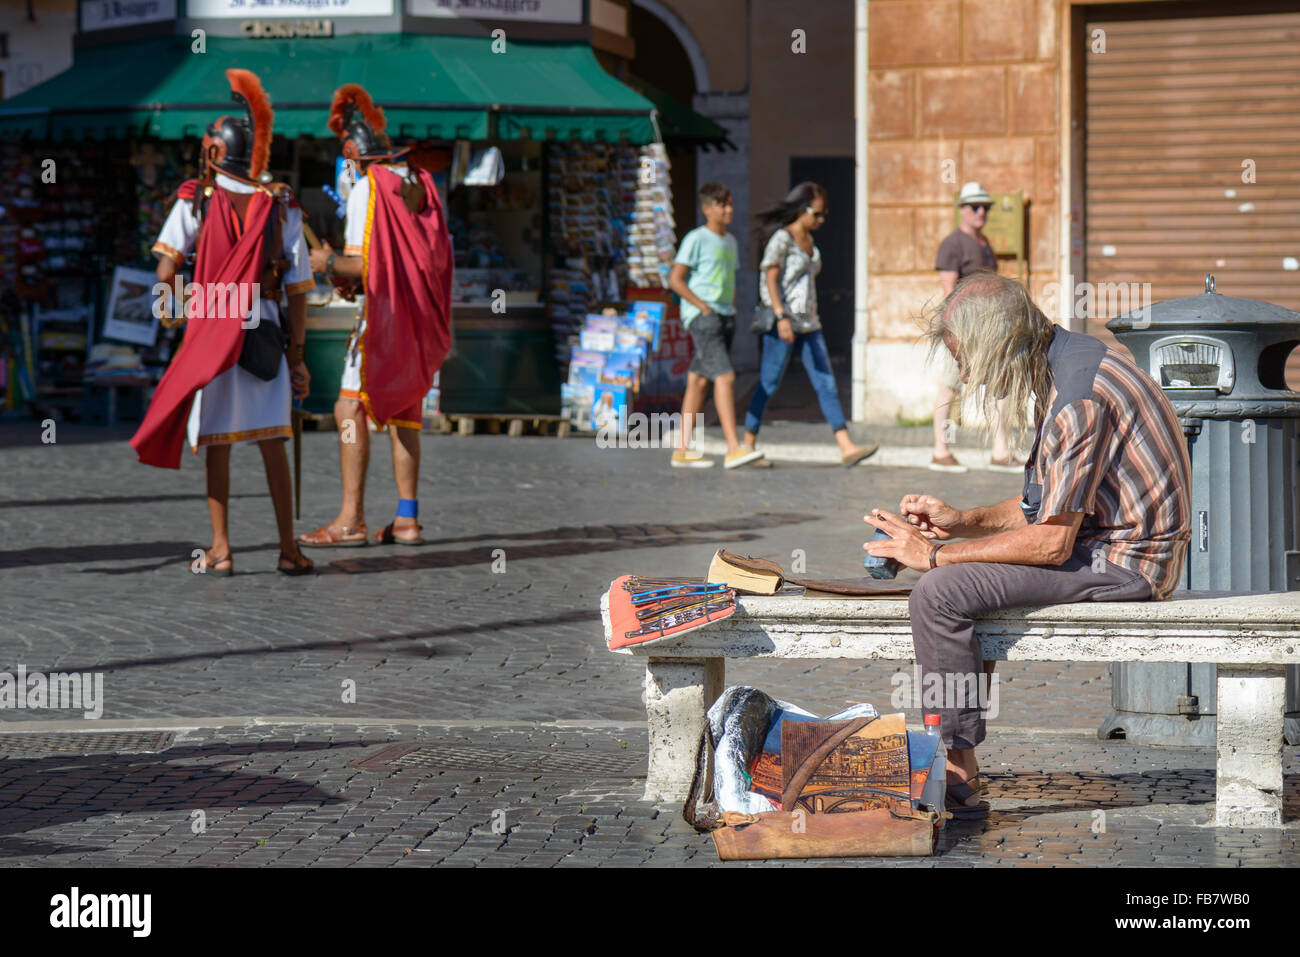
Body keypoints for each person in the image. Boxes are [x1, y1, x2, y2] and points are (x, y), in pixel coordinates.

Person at [864, 273, 1190, 819]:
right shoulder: (1072, 362)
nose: (966, 375)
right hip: (1104, 545)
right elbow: (1049, 507)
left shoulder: (1077, 400)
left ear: (997, 346)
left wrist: (934, 556)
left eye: (967, 359)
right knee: (958, 585)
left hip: (1128, 563)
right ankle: (956, 759)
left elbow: (1051, 543)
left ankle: (955, 768)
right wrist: (962, 521)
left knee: (940, 592)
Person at [130, 69, 316, 577]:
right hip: (265, 333)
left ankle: (221, 549)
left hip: (213, 331)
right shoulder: (280, 205)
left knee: (216, 443)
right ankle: (288, 550)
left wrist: (179, 312)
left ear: (216, 154)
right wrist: (297, 357)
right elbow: (298, 290)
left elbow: (167, 269)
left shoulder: (195, 199)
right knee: (273, 440)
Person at [299, 83, 452, 548]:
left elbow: (364, 267)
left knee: (348, 407)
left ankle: (351, 520)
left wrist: (324, 263)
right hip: (418, 320)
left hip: (385, 320)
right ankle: (406, 519)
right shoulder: (420, 185)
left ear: (353, 157)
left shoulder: (369, 189)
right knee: (405, 413)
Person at [743, 182, 876, 467]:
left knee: (825, 383)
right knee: (770, 381)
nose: (822, 219)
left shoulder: (809, 242)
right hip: (785, 324)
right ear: (802, 211)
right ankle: (747, 444)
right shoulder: (782, 239)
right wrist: (780, 317)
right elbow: (769, 279)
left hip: (810, 325)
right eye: (817, 214)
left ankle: (845, 446)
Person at [668, 182, 762, 469]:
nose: (729, 209)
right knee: (726, 377)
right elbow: (675, 279)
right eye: (722, 205)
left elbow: (730, 279)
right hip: (704, 318)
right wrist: (703, 307)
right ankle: (733, 447)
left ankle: (682, 449)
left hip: (725, 317)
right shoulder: (696, 239)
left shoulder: (731, 242)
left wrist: (730, 309)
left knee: (698, 380)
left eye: (730, 203)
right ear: (707, 208)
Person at [931, 181, 1021, 473]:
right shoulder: (952, 244)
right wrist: (954, 334)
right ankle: (940, 450)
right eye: (975, 207)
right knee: (949, 387)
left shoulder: (984, 243)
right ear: (962, 210)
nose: (982, 211)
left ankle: (1000, 450)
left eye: (986, 207)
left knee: (1002, 384)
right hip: (958, 329)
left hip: (988, 329)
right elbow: (949, 292)